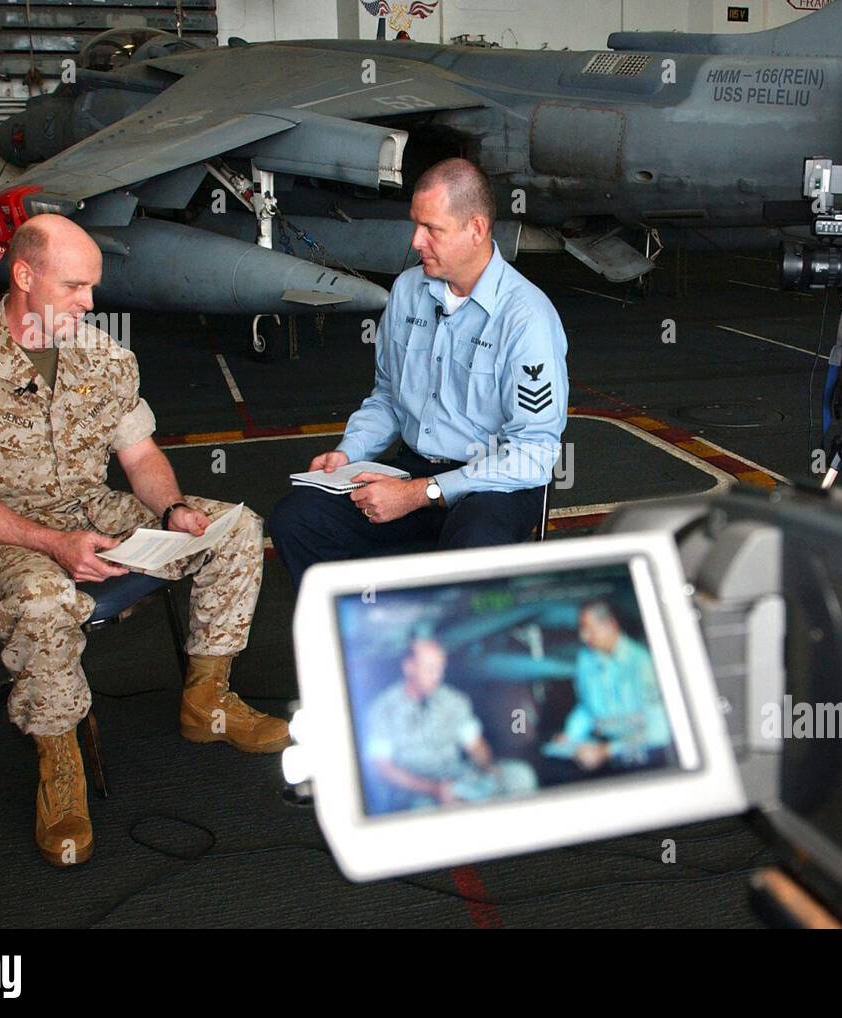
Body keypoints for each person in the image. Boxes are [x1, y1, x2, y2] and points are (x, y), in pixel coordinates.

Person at [0, 214, 287, 868]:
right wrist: (52, 543)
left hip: (87, 510)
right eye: (76, 287)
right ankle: (60, 761)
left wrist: (171, 510)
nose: (90, 303)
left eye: (93, 287)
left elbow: (139, 458)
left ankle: (207, 700)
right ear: (25, 277)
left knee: (233, 529)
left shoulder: (105, 357)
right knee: (43, 595)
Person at [269, 157, 568, 590]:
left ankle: (443, 653)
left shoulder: (527, 319)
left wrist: (420, 493)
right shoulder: (408, 291)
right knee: (297, 521)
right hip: (413, 471)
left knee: (472, 554)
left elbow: (534, 454)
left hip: (493, 484)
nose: (416, 241)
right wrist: (349, 452)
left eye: (432, 229)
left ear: (476, 230)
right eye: (415, 225)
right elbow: (388, 396)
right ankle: (360, 648)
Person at [364, 635, 536, 812]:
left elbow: (475, 745)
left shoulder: (454, 701)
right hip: (415, 789)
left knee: (520, 775)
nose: (437, 676)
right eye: (430, 669)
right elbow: (382, 767)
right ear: (409, 668)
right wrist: (433, 789)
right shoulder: (382, 709)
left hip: (457, 778)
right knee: (424, 809)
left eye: (440, 669)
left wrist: (488, 768)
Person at [547, 601, 671, 772]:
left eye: (589, 629)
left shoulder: (643, 663)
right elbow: (587, 707)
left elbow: (658, 732)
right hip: (602, 742)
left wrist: (607, 751)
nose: (584, 637)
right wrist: (570, 735)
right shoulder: (585, 658)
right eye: (581, 630)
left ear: (610, 625)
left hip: (642, 750)